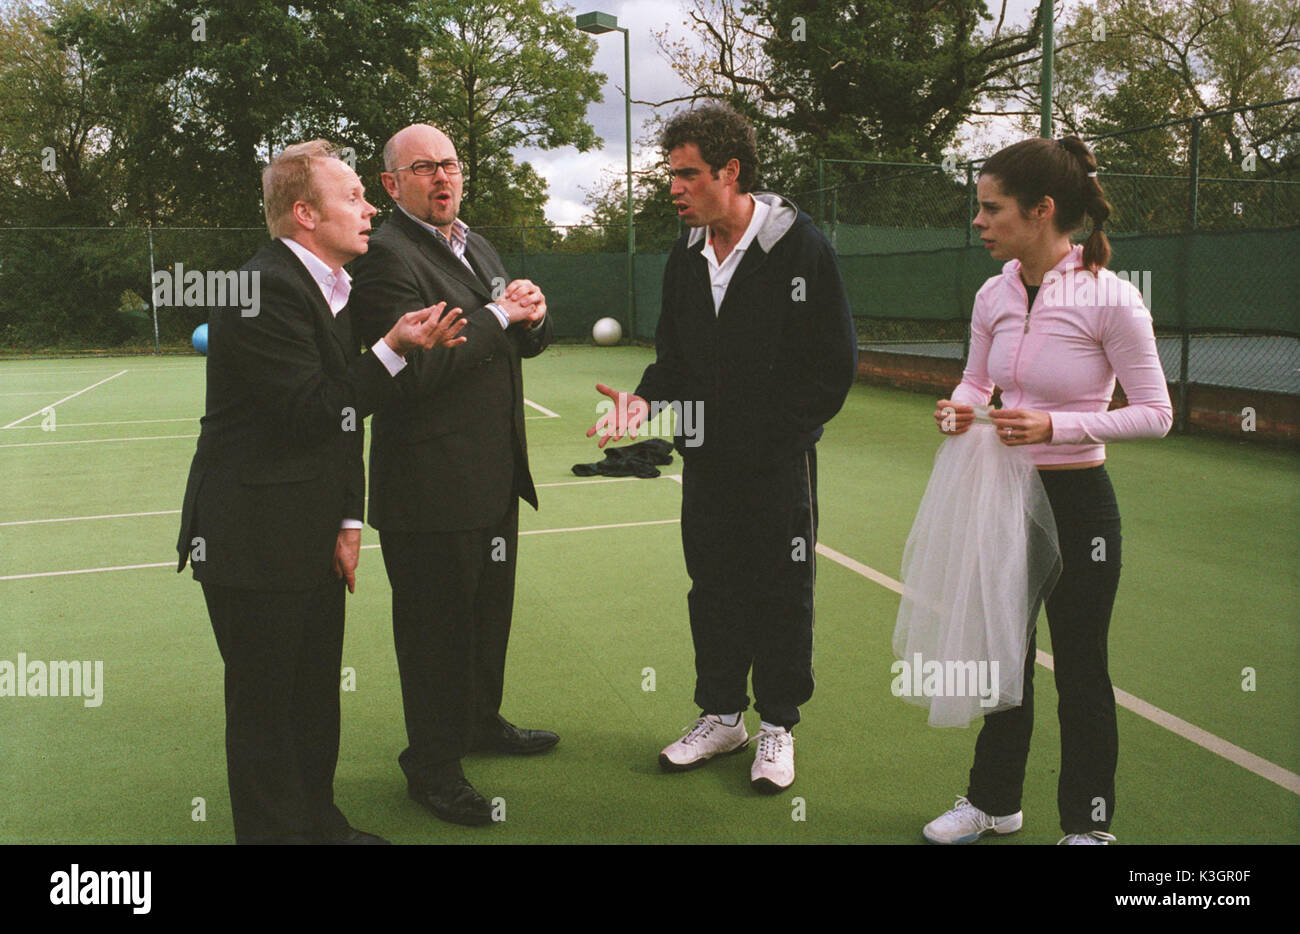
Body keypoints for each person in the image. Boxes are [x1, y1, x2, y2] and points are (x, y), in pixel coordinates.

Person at [176, 139, 467, 844]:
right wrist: (394, 349)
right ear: (305, 214)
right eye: (353, 198)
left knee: (312, 702)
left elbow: (338, 429)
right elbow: (315, 409)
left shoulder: (329, 285)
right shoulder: (266, 286)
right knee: (267, 713)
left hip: (305, 531)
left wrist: (345, 520)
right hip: (252, 538)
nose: (369, 207)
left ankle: (320, 827)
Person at [589, 103, 858, 794]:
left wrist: (773, 437)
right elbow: (674, 356)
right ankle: (722, 717)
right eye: (670, 174)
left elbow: (833, 368)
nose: (673, 188)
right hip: (704, 461)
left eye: (686, 175)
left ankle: (778, 725)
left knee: (781, 590)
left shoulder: (802, 249)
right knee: (712, 588)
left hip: (776, 462)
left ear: (730, 172)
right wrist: (641, 404)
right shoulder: (684, 255)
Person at [920, 136, 1172, 845]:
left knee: (1082, 669)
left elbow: (1156, 413)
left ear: (1042, 211)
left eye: (991, 208)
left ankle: (1088, 826)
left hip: (1078, 505)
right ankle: (992, 803)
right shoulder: (992, 292)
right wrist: (959, 405)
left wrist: (1056, 423)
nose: (979, 220)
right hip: (1002, 497)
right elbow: (976, 380)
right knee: (1005, 658)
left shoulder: (1112, 298)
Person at [349, 123, 556, 827]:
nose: (442, 178)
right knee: (436, 633)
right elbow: (413, 370)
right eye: (424, 168)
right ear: (391, 185)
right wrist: (499, 313)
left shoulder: (476, 243)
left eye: (450, 165)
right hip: (431, 488)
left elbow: (508, 339)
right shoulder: (384, 257)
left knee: (484, 619)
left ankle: (478, 724)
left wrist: (531, 316)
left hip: (494, 477)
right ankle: (432, 767)